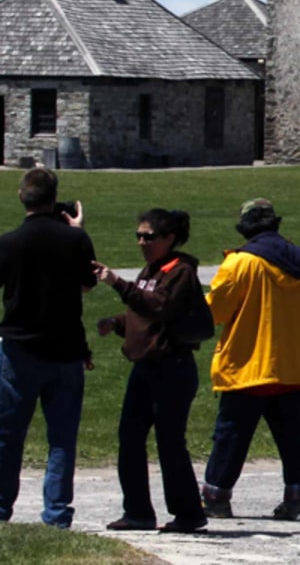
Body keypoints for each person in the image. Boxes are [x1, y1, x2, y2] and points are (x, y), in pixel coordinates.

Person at [94, 209, 212, 533]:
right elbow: (141, 311)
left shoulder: (180, 271)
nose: (141, 242)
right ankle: (137, 512)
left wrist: (117, 282)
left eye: (149, 236)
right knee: (130, 438)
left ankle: (189, 513)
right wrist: (116, 323)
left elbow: (159, 307)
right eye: (139, 236)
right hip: (146, 367)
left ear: (169, 238)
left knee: (169, 442)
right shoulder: (153, 269)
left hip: (172, 368)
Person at [201, 199, 300, 522]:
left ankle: (216, 496)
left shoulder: (240, 263)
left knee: (230, 437)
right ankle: (298, 497)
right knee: (293, 441)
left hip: (248, 365)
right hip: (290, 365)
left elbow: (216, 311)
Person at [0, 168, 95, 529]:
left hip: (19, 348)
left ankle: (0, 508)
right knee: (61, 439)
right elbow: (88, 286)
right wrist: (78, 232)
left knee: (8, 435)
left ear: (22, 198)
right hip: (66, 349)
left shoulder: (8, 242)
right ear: (54, 198)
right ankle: (56, 515)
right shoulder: (75, 240)